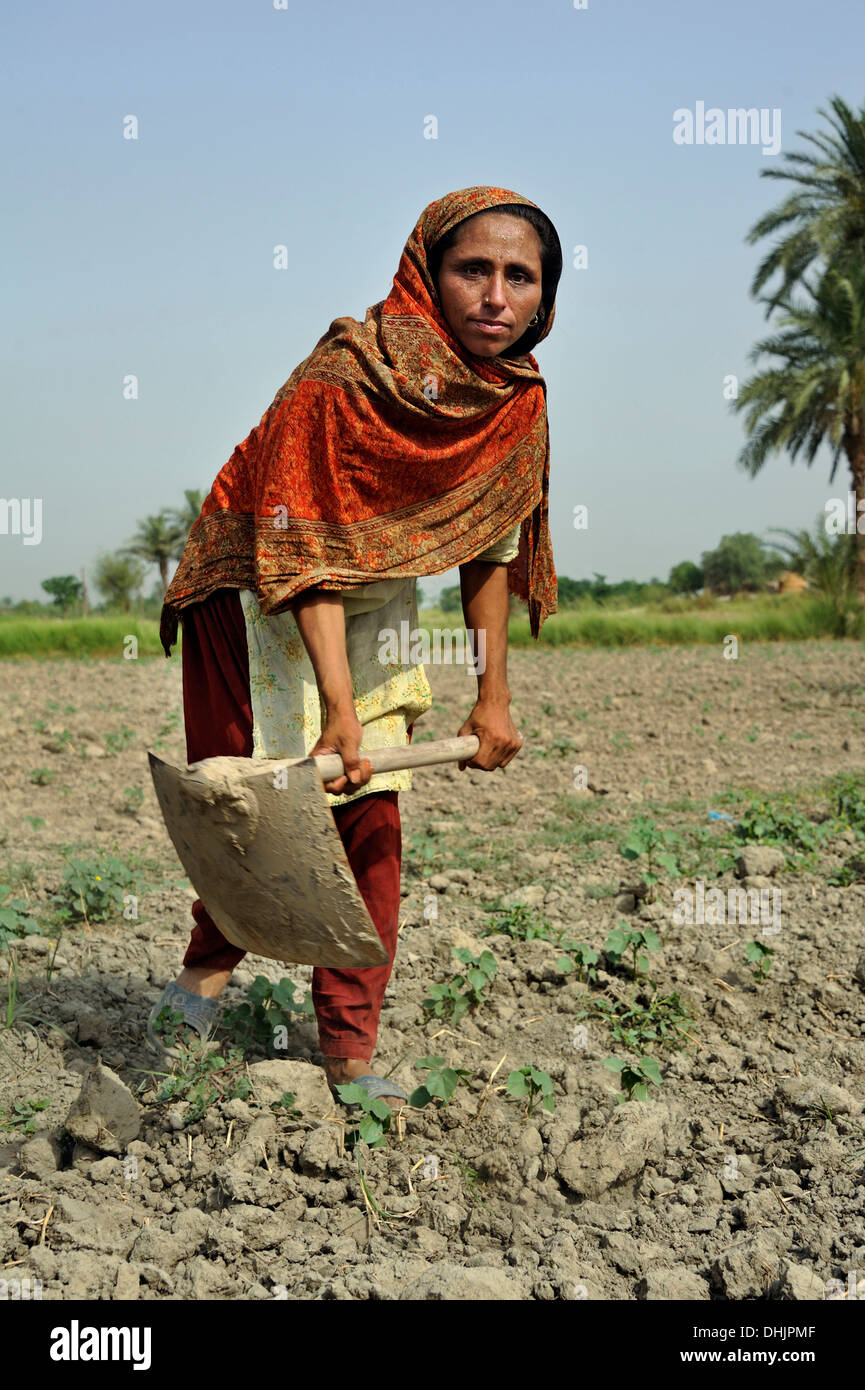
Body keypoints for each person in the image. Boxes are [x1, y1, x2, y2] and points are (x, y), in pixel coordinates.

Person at [148, 185, 562, 1112]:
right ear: (427, 272)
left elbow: (491, 552)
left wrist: (492, 695)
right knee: (255, 801)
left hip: (366, 595)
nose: (496, 295)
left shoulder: (513, 403)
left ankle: (347, 1053)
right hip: (250, 588)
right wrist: (339, 715)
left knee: (372, 817)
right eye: (473, 270)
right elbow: (303, 552)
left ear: (544, 295)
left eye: (519, 277)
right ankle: (195, 993)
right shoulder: (344, 378)